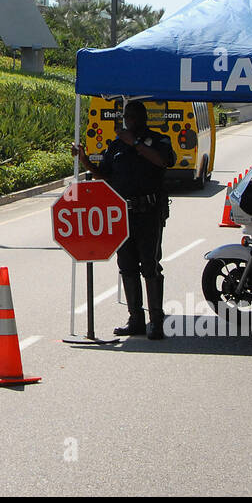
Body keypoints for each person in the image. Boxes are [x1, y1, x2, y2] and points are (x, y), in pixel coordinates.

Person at [71, 99, 176, 339]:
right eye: (126, 117)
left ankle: (156, 321)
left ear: (142, 118)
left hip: (149, 212)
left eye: (132, 117)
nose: (128, 121)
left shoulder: (158, 140)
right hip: (122, 214)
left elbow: (163, 161)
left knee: (150, 266)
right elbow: (104, 175)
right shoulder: (117, 146)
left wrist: (136, 143)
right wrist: (84, 159)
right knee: (127, 266)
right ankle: (136, 319)